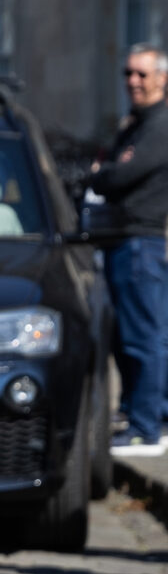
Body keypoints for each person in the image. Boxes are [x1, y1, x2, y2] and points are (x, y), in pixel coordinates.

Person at [90, 44, 168, 457]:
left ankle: (145, 428)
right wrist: (111, 168)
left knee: (143, 339)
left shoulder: (160, 125)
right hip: (125, 240)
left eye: (142, 74)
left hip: (141, 242)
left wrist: (108, 171)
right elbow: (111, 168)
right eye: (128, 73)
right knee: (133, 336)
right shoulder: (135, 123)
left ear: (162, 79)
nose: (133, 81)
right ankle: (150, 416)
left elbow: (119, 176)